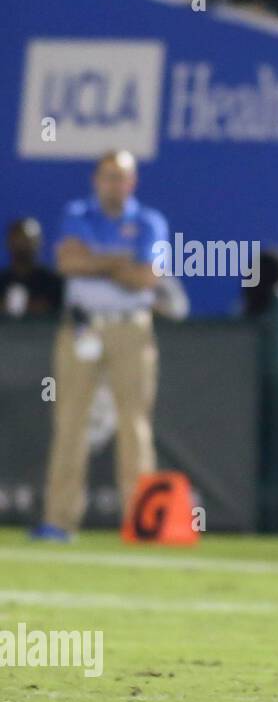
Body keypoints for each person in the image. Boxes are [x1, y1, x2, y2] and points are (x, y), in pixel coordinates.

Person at [33, 152, 167, 542]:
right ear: (96, 179)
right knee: (70, 422)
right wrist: (117, 263)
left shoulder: (148, 221)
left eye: (121, 177)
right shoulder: (77, 213)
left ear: (132, 183)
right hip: (82, 325)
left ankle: (141, 521)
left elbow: (146, 277)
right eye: (107, 177)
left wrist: (96, 260)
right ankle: (59, 520)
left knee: (134, 425)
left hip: (130, 328)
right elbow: (67, 262)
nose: (113, 184)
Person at [2, 218, 63, 319]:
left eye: (27, 239)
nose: (22, 244)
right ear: (9, 242)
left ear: (39, 242)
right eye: (17, 238)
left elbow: (56, 312)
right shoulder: (2, 280)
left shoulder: (53, 282)